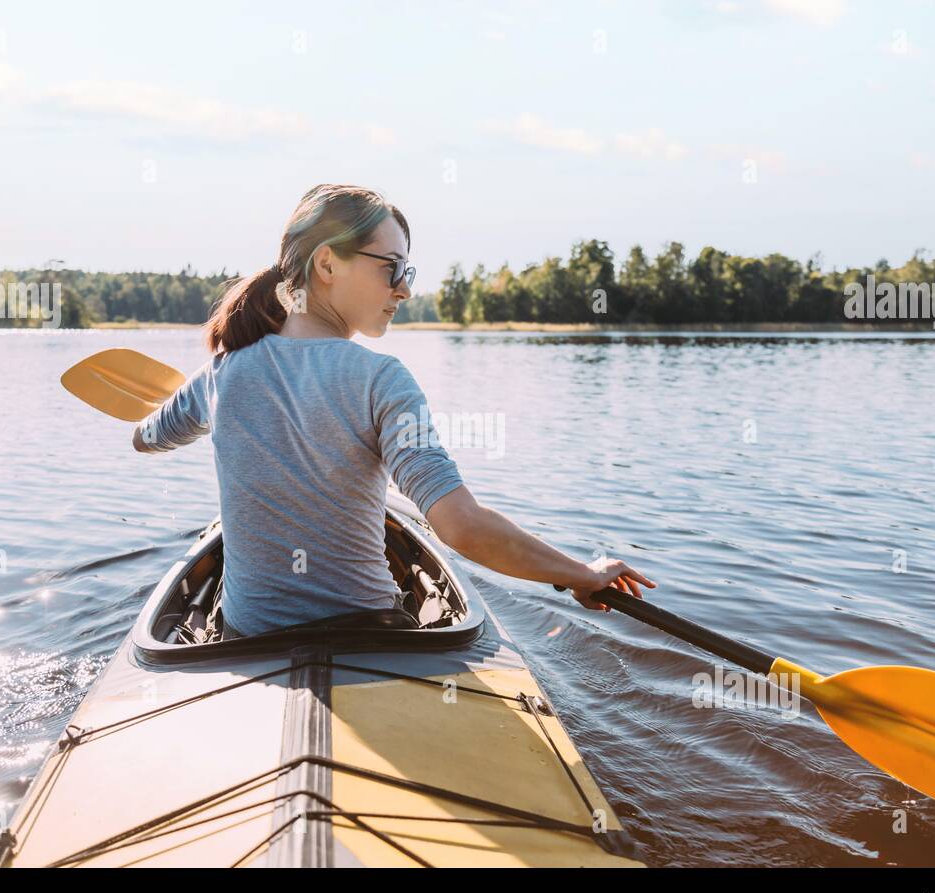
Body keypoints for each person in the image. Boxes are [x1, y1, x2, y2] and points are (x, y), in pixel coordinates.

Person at [133, 183, 653, 637]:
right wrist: (583, 574)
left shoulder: (222, 375)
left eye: (409, 271)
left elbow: (147, 437)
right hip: (369, 631)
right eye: (393, 269)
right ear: (327, 263)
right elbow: (462, 527)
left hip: (248, 634)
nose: (404, 289)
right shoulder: (381, 379)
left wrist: (188, 401)